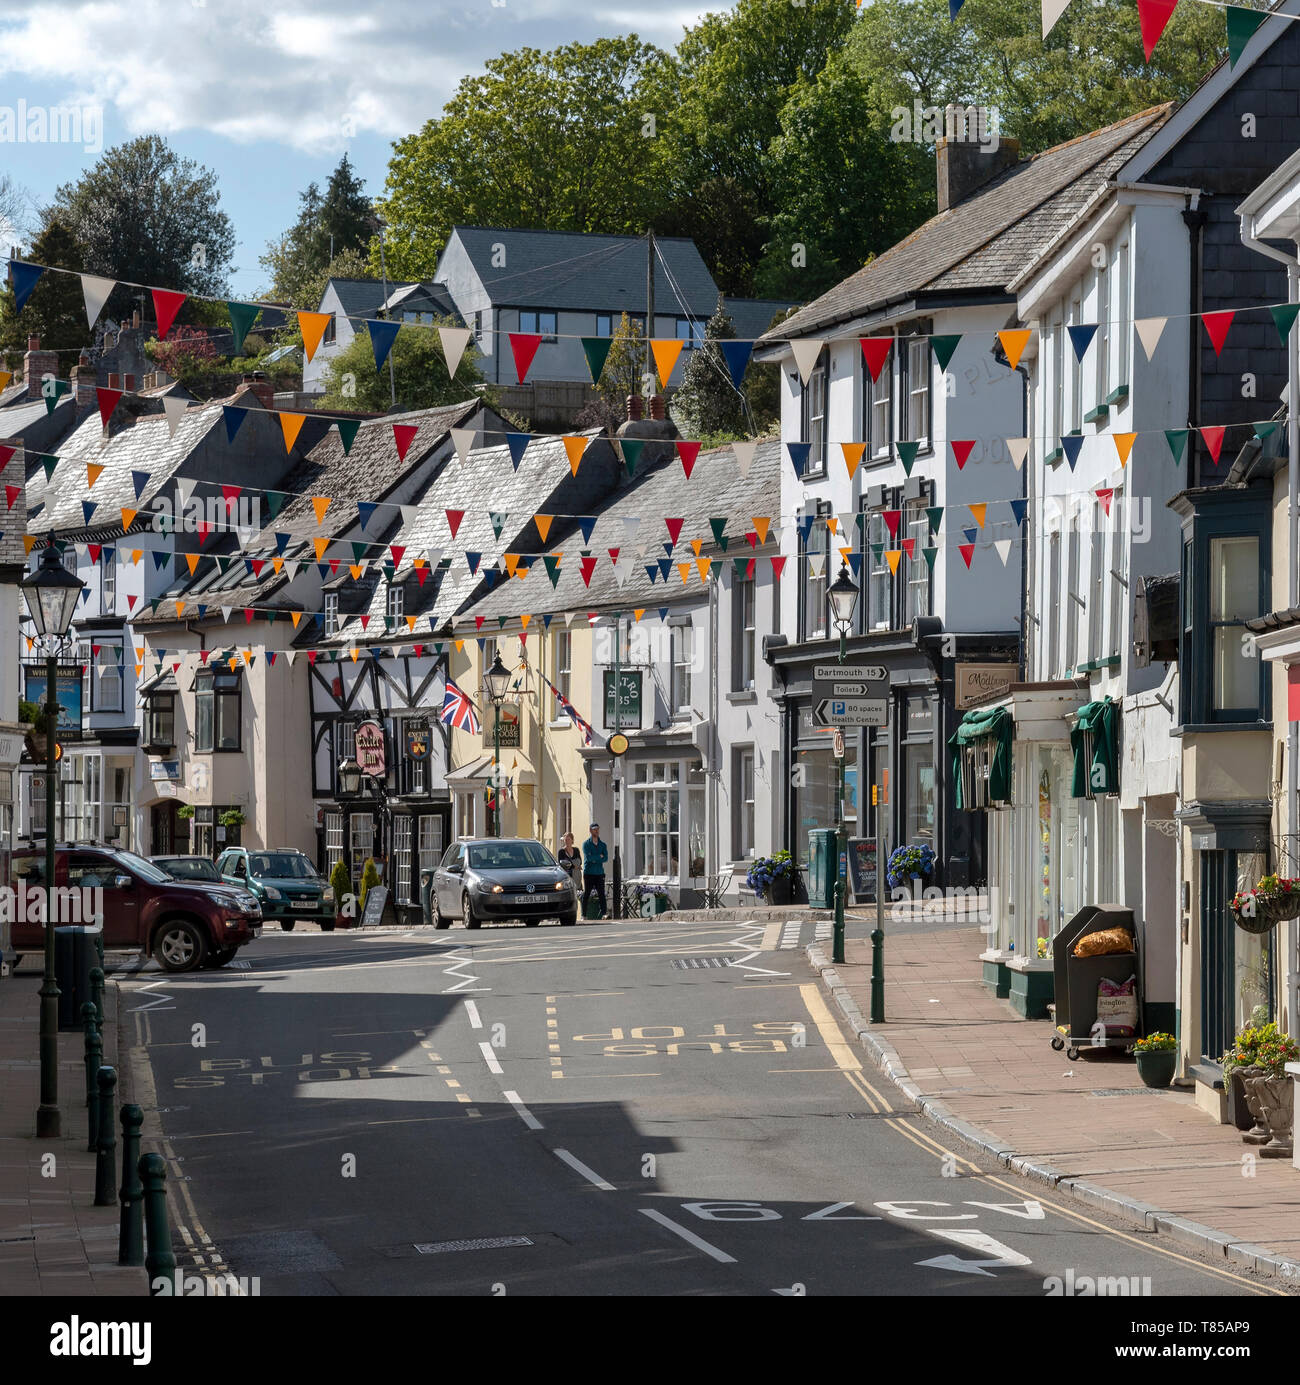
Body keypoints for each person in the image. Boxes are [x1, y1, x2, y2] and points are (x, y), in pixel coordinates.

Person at [581, 823, 608, 918]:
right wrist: (598, 857)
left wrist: (595, 858)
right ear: (590, 830)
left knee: (601, 894)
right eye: (594, 829)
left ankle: (604, 913)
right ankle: (584, 914)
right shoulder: (586, 844)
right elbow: (588, 858)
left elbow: (605, 858)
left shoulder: (603, 845)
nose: (596, 831)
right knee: (587, 894)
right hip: (589, 873)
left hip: (599, 873)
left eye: (597, 829)